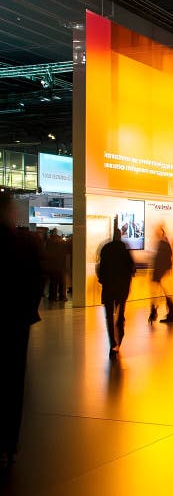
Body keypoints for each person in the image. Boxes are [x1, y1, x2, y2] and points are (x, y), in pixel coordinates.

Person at [0, 192, 44, 468]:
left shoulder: (22, 242)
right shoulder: (24, 244)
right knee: (13, 382)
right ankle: (9, 446)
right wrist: (28, 311)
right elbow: (36, 280)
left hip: (15, 318)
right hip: (15, 322)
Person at [97, 229, 136, 357]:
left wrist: (103, 280)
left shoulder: (106, 249)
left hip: (108, 288)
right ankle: (119, 337)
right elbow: (132, 268)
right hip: (121, 288)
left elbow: (101, 268)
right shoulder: (124, 249)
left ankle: (112, 343)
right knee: (120, 313)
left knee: (109, 316)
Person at [149, 227, 173, 323]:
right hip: (162, 273)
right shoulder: (163, 244)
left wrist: (159, 274)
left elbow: (163, 260)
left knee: (165, 294)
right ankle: (168, 315)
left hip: (162, 274)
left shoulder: (163, 245)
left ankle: (168, 315)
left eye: (158, 233)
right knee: (165, 294)